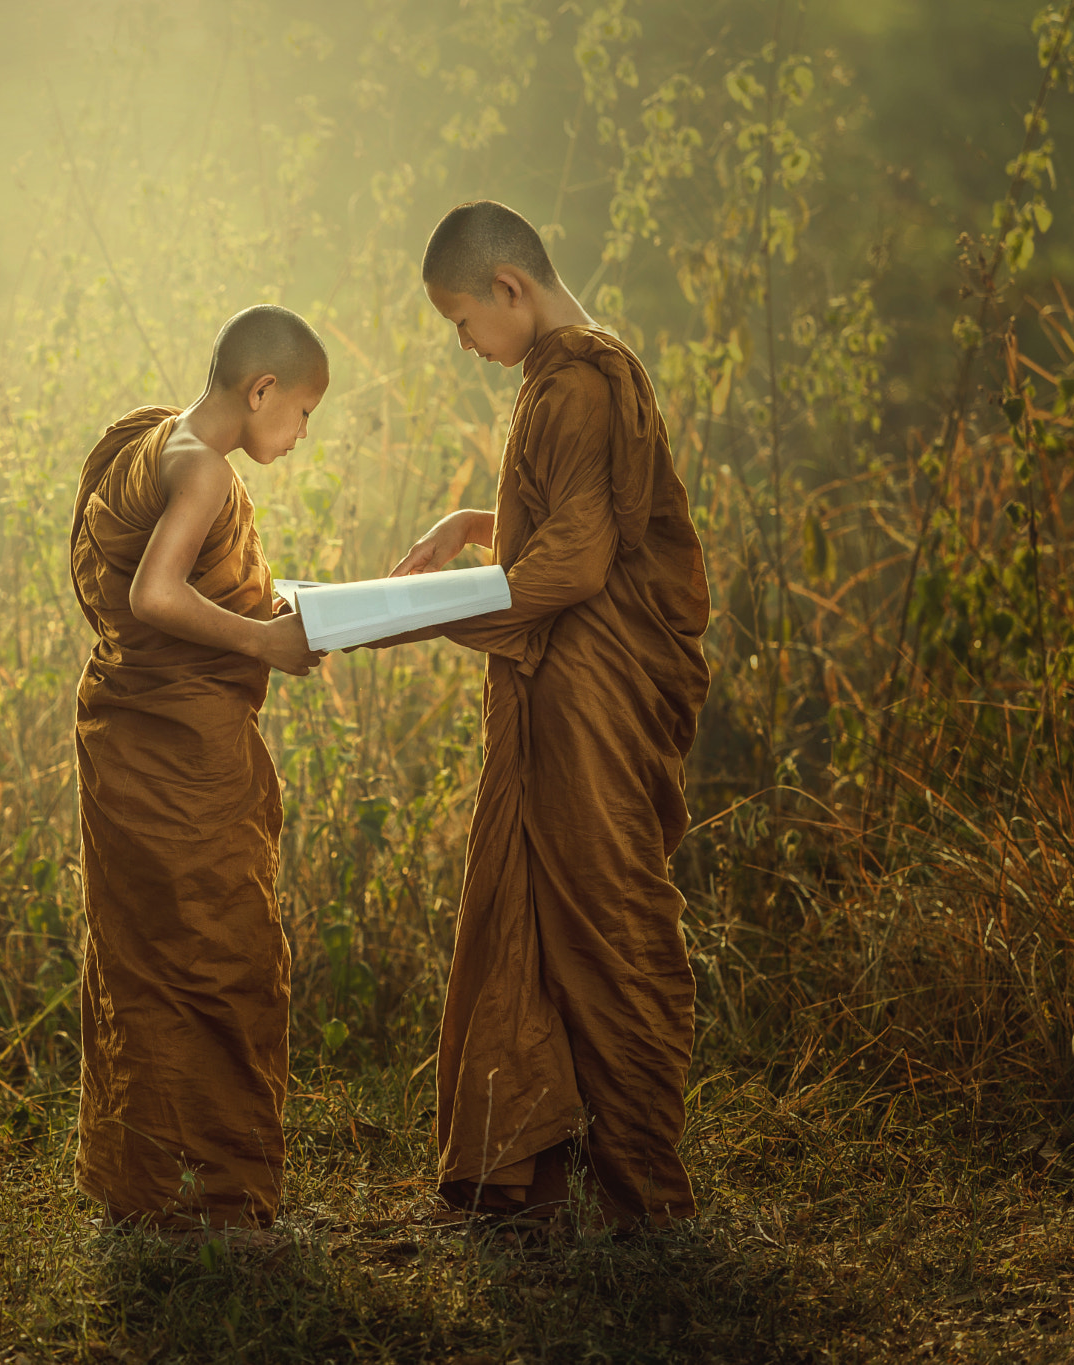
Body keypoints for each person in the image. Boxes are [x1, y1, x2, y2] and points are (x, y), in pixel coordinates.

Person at [386, 200, 711, 1231]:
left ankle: (639, 1185)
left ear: (508, 288)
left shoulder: (572, 384)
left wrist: (423, 612)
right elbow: (589, 512)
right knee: (542, 907)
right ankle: (533, 1174)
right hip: (564, 687)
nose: (465, 344)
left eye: (462, 321)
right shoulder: (596, 363)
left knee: (605, 915)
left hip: (584, 694)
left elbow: (570, 564)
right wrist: (473, 521)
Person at [70, 304, 329, 1231]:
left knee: (145, 956)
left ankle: (144, 1185)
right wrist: (267, 640)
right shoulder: (203, 468)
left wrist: (279, 603)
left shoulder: (156, 441)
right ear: (262, 390)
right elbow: (155, 593)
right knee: (222, 953)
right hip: (178, 746)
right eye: (302, 413)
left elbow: (186, 581)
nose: (301, 435)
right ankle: (213, 1197)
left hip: (132, 731)